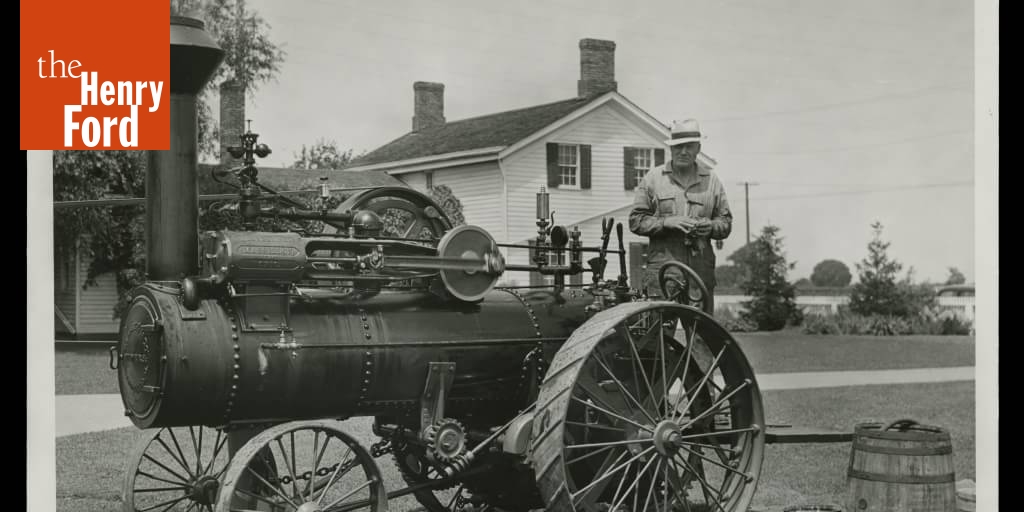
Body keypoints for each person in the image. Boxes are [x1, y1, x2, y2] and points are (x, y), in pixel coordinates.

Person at [628, 119, 732, 311]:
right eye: (678, 147)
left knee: (701, 334)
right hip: (664, 273)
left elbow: (725, 222)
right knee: (659, 334)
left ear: (698, 148)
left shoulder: (712, 181)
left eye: (689, 146)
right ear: (671, 148)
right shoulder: (653, 179)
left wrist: (710, 227)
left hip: (700, 273)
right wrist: (667, 222)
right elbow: (635, 221)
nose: (683, 152)